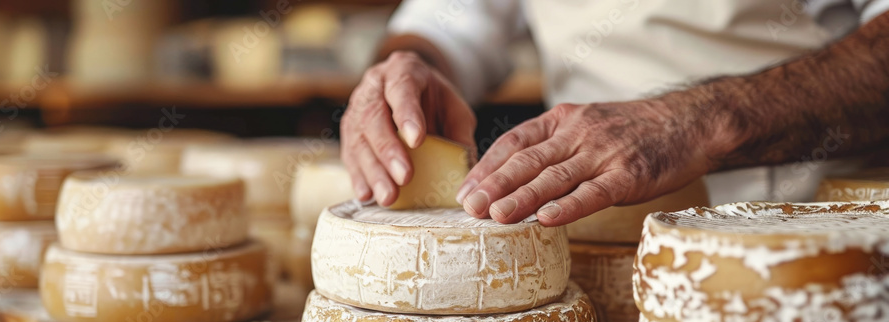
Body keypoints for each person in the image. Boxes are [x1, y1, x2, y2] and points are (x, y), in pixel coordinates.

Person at [340, 1, 889, 227]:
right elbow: (447, 23)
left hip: (815, 240)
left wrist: (697, 122)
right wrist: (406, 68)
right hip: (589, 238)